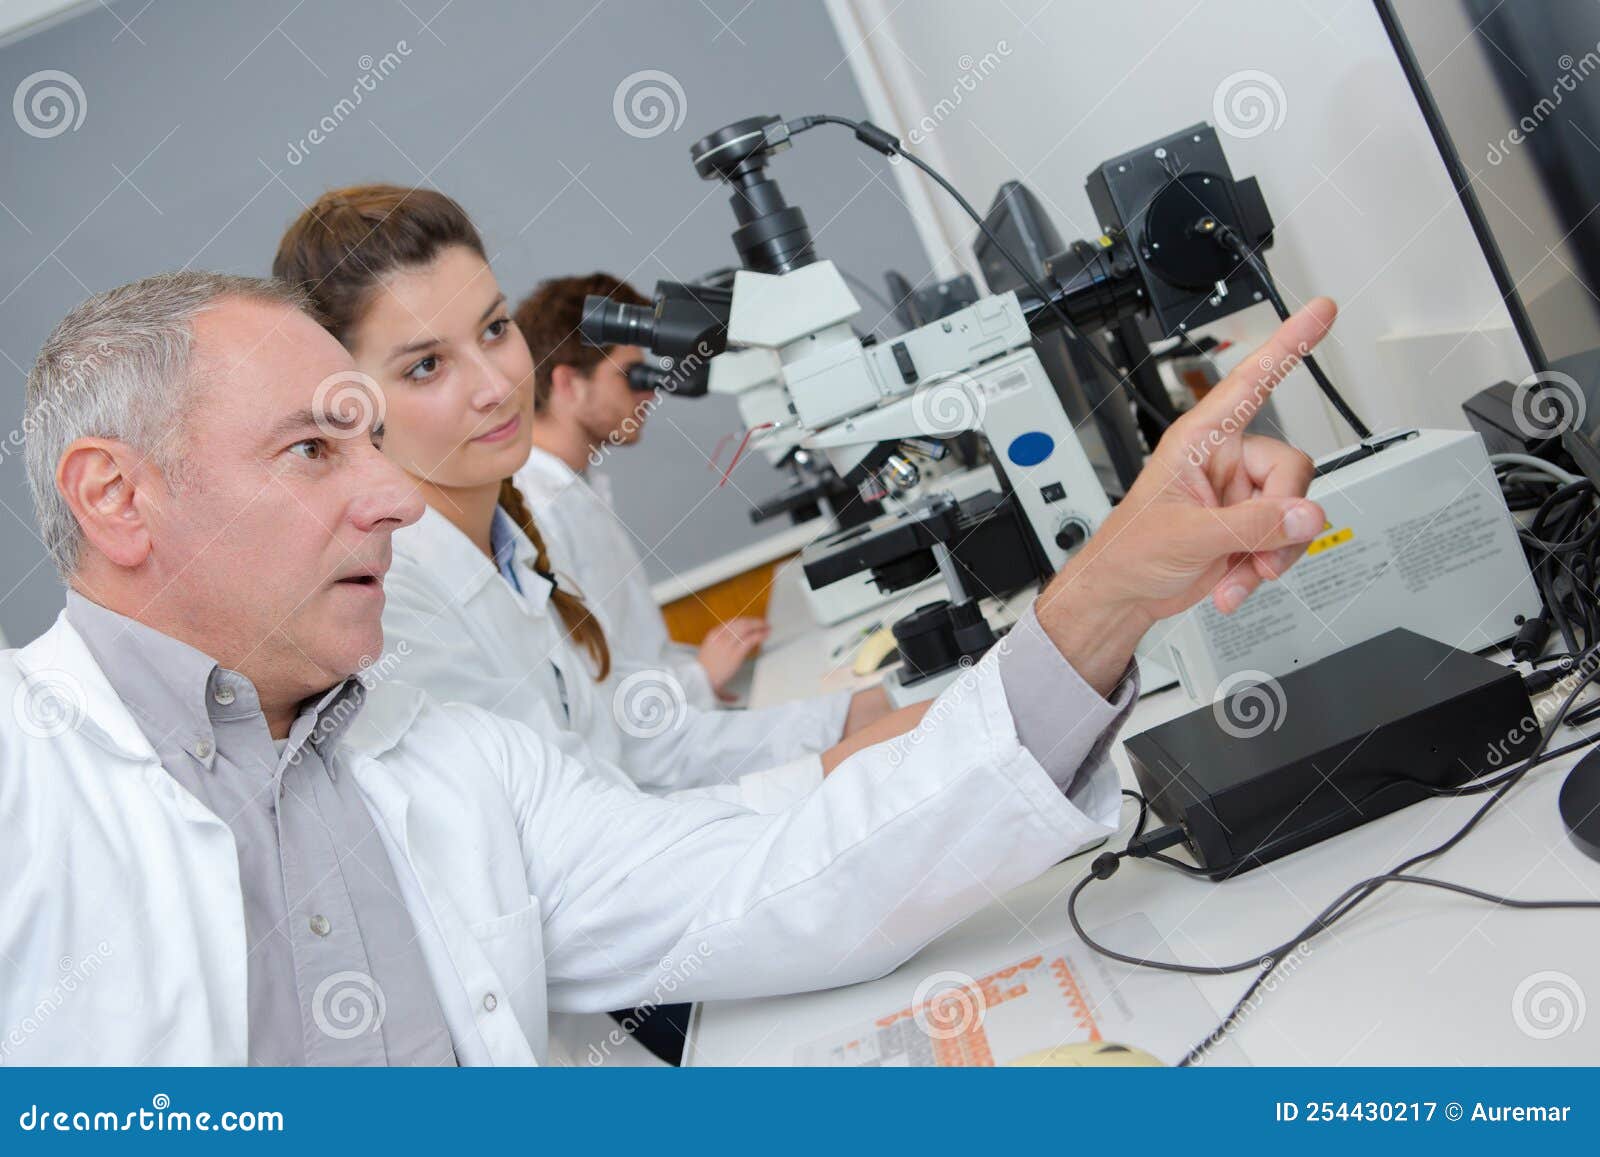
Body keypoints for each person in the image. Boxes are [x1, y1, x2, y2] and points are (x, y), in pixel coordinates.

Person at [3, 268, 1334, 1065]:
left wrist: (1102, 594)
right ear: (118, 499)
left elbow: (780, 892)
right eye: (313, 452)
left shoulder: (456, 762)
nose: (393, 501)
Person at [271, 186, 904, 815]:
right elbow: (581, 859)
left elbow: (637, 752)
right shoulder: (394, 610)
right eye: (426, 366)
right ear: (352, 406)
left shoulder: (510, 545)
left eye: (495, 329)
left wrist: (860, 715)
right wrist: (842, 770)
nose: (496, 386)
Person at [512, 273, 760, 707]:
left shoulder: (580, 485)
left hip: (669, 720)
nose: (651, 391)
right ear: (569, 383)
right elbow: (592, 690)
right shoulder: (539, 510)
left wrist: (697, 673)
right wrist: (699, 678)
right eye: (632, 374)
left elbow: (631, 651)